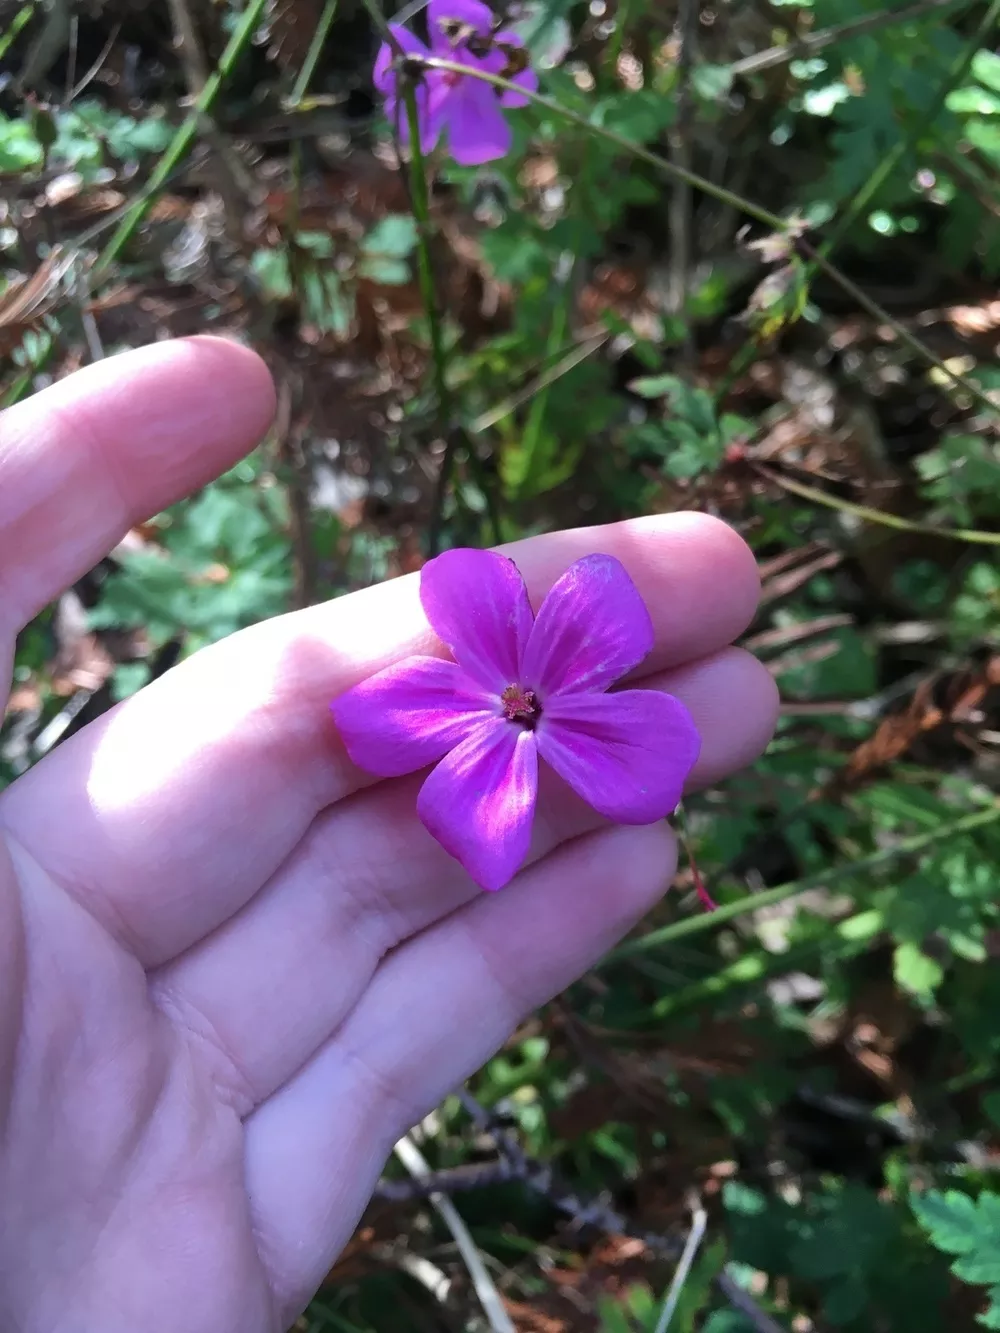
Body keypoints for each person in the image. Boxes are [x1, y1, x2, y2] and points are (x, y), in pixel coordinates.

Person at [0, 337, 778, 1331]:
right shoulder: (488, 702)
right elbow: (388, 714)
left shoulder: (565, 666)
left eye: (525, 699)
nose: (520, 702)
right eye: (517, 698)